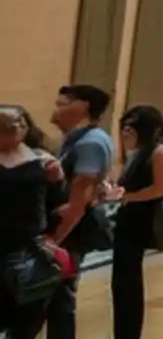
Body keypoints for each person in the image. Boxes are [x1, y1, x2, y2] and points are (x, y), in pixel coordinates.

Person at [47, 84, 115, 339]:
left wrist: (53, 242)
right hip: (69, 231)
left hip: (71, 232)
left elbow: (77, 204)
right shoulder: (78, 139)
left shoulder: (91, 143)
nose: (57, 109)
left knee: (60, 299)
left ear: (84, 106)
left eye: (64, 103)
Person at [104, 105, 163, 339]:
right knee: (122, 282)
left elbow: (159, 189)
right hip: (129, 219)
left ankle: (128, 333)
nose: (125, 132)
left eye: (131, 127)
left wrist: (127, 197)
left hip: (142, 221)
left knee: (128, 283)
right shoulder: (139, 151)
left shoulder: (161, 151)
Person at [0, 106, 67, 339]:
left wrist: (58, 181)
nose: (11, 131)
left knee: (29, 316)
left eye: (16, 125)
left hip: (28, 247)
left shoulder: (42, 161)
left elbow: (57, 203)